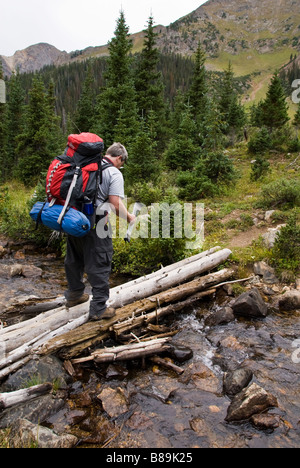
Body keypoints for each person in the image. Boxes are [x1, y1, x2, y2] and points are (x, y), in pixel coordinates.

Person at [64, 142, 136, 320]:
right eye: (122, 162)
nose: (121, 166)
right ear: (119, 158)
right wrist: (129, 218)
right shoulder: (114, 173)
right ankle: (98, 308)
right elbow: (115, 203)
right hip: (97, 221)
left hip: (73, 218)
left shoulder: (85, 166)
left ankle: (74, 294)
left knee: (74, 257)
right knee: (101, 260)